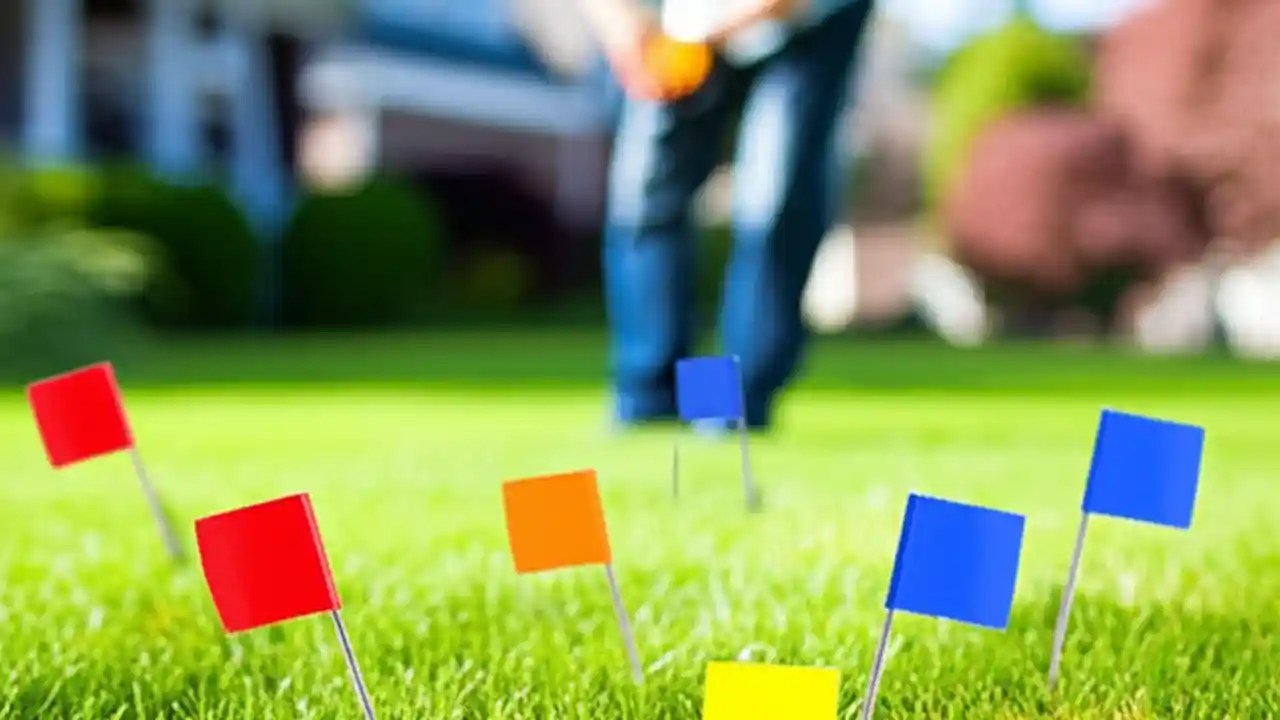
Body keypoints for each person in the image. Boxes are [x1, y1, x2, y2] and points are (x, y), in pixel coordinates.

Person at [575, 0, 877, 430]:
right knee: (646, 199)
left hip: (805, 20)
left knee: (771, 202)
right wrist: (624, 29)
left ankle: (729, 404)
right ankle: (651, 396)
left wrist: (707, 35)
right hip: (676, 26)